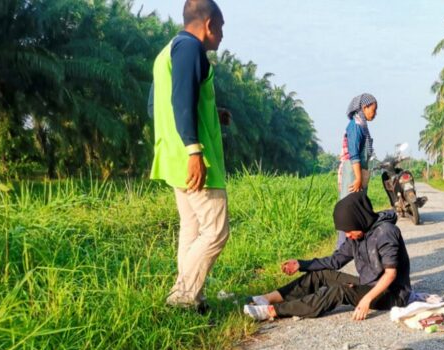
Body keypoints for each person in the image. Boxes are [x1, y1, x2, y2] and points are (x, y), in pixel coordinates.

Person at [149, 0, 231, 312]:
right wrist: (194, 149)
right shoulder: (190, 49)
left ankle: (191, 298)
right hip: (195, 159)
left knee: (192, 227)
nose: (222, 37)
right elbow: (182, 99)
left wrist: (214, 112)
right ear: (209, 24)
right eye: (221, 29)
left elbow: (157, 105)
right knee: (216, 231)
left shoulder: (166, 53)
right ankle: (182, 297)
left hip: (173, 157)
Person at [244, 193, 410, 322]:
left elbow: (391, 274)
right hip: (369, 284)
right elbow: (334, 261)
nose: (347, 234)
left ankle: (273, 311)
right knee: (320, 274)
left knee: (339, 292)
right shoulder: (357, 235)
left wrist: (366, 299)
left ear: (360, 219)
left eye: (349, 229)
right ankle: (266, 299)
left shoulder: (386, 233)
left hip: (392, 295)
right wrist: (301, 264)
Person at [337, 93, 377, 247]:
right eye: (373, 110)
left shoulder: (362, 125)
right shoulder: (355, 126)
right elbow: (354, 155)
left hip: (357, 171)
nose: (375, 114)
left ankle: (353, 247)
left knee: (356, 209)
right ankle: (342, 248)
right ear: (364, 107)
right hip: (352, 171)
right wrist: (358, 178)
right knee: (347, 209)